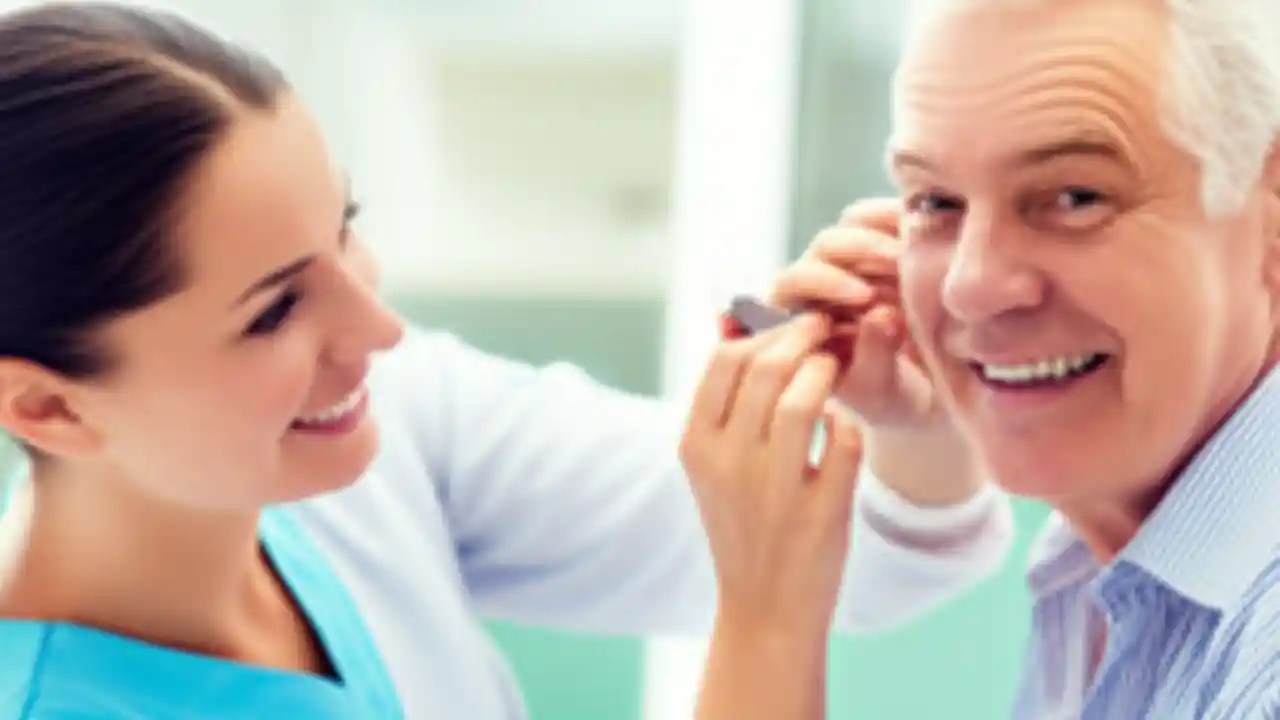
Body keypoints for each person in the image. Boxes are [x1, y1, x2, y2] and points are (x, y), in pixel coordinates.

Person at [0, 4, 1016, 718]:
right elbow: (775, 576)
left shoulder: (371, 434)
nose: (378, 329)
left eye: (343, 231)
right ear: (47, 408)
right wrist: (760, 622)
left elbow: (860, 560)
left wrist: (907, 422)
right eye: (273, 311)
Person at [684, 0, 1280, 718]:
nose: (970, 288)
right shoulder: (1096, 568)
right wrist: (928, 432)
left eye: (1075, 196)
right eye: (936, 201)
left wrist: (767, 617)